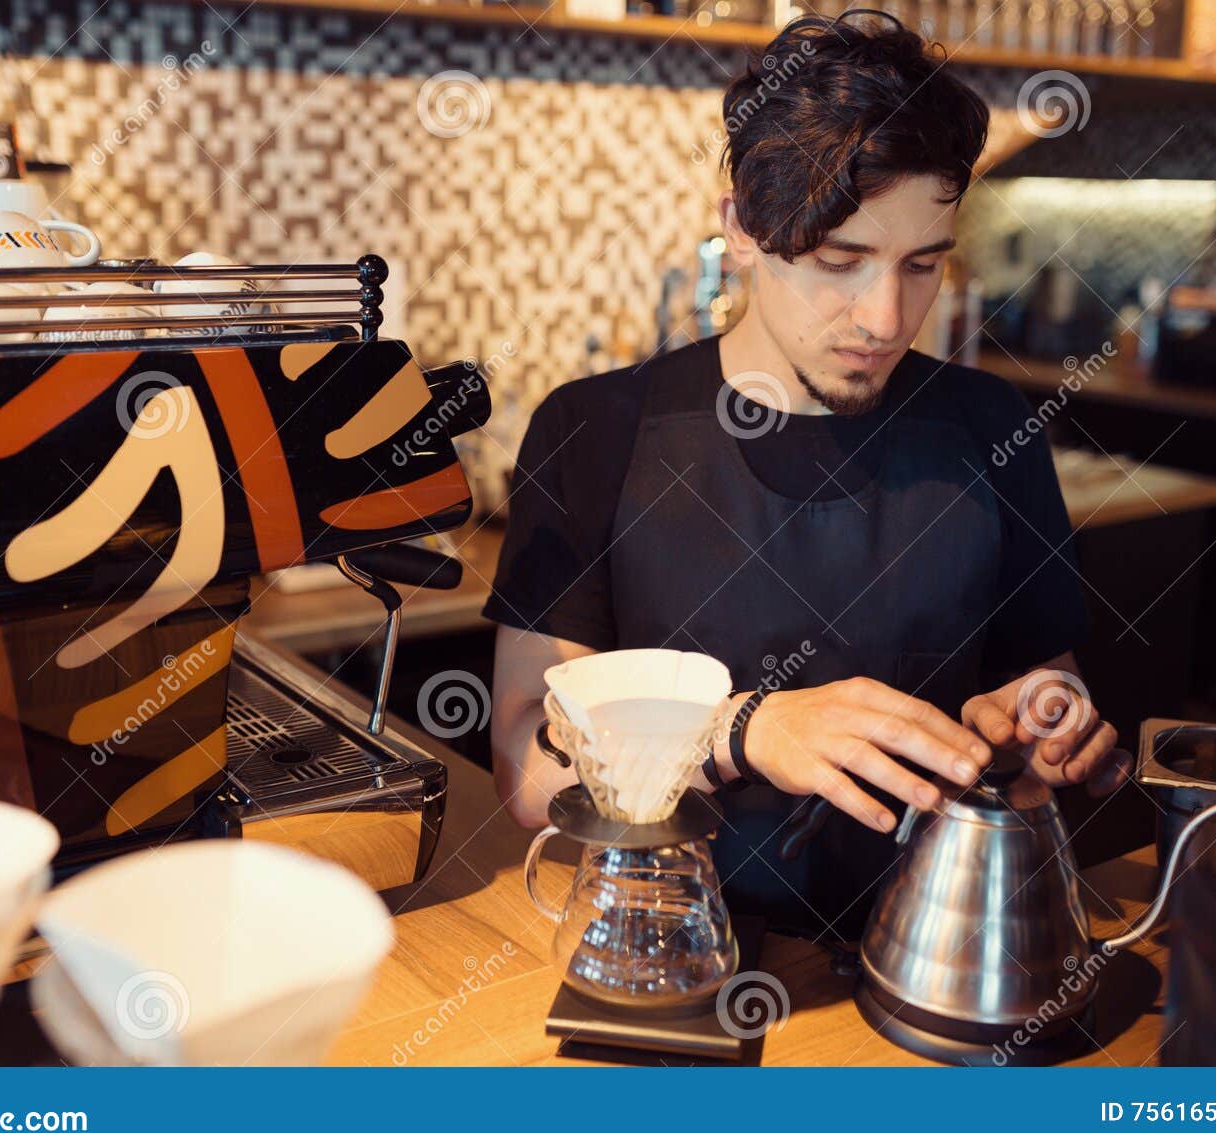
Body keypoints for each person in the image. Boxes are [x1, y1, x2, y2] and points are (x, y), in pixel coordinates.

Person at [482, 10, 1130, 939]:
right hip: (672, 955)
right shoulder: (597, 430)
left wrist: (1041, 727)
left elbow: (1041, 695)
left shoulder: (991, 429)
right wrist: (741, 731)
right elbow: (526, 769)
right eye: (841, 261)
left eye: (922, 265)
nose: (884, 315)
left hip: (924, 958)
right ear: (742, 228)